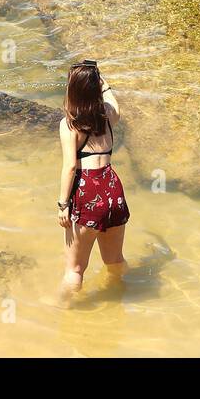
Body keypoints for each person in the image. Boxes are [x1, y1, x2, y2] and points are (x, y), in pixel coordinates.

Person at [57, 60, 128, 299]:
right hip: (112, 187)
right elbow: (117, 109)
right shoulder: (107, 116)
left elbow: (69, 167)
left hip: (88, 191)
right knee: (115, 260)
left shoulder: (70, 124)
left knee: (75, 269)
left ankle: (60, 307)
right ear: (96, 88)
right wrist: (105, 86)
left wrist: (63, 205)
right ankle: (118, 296)